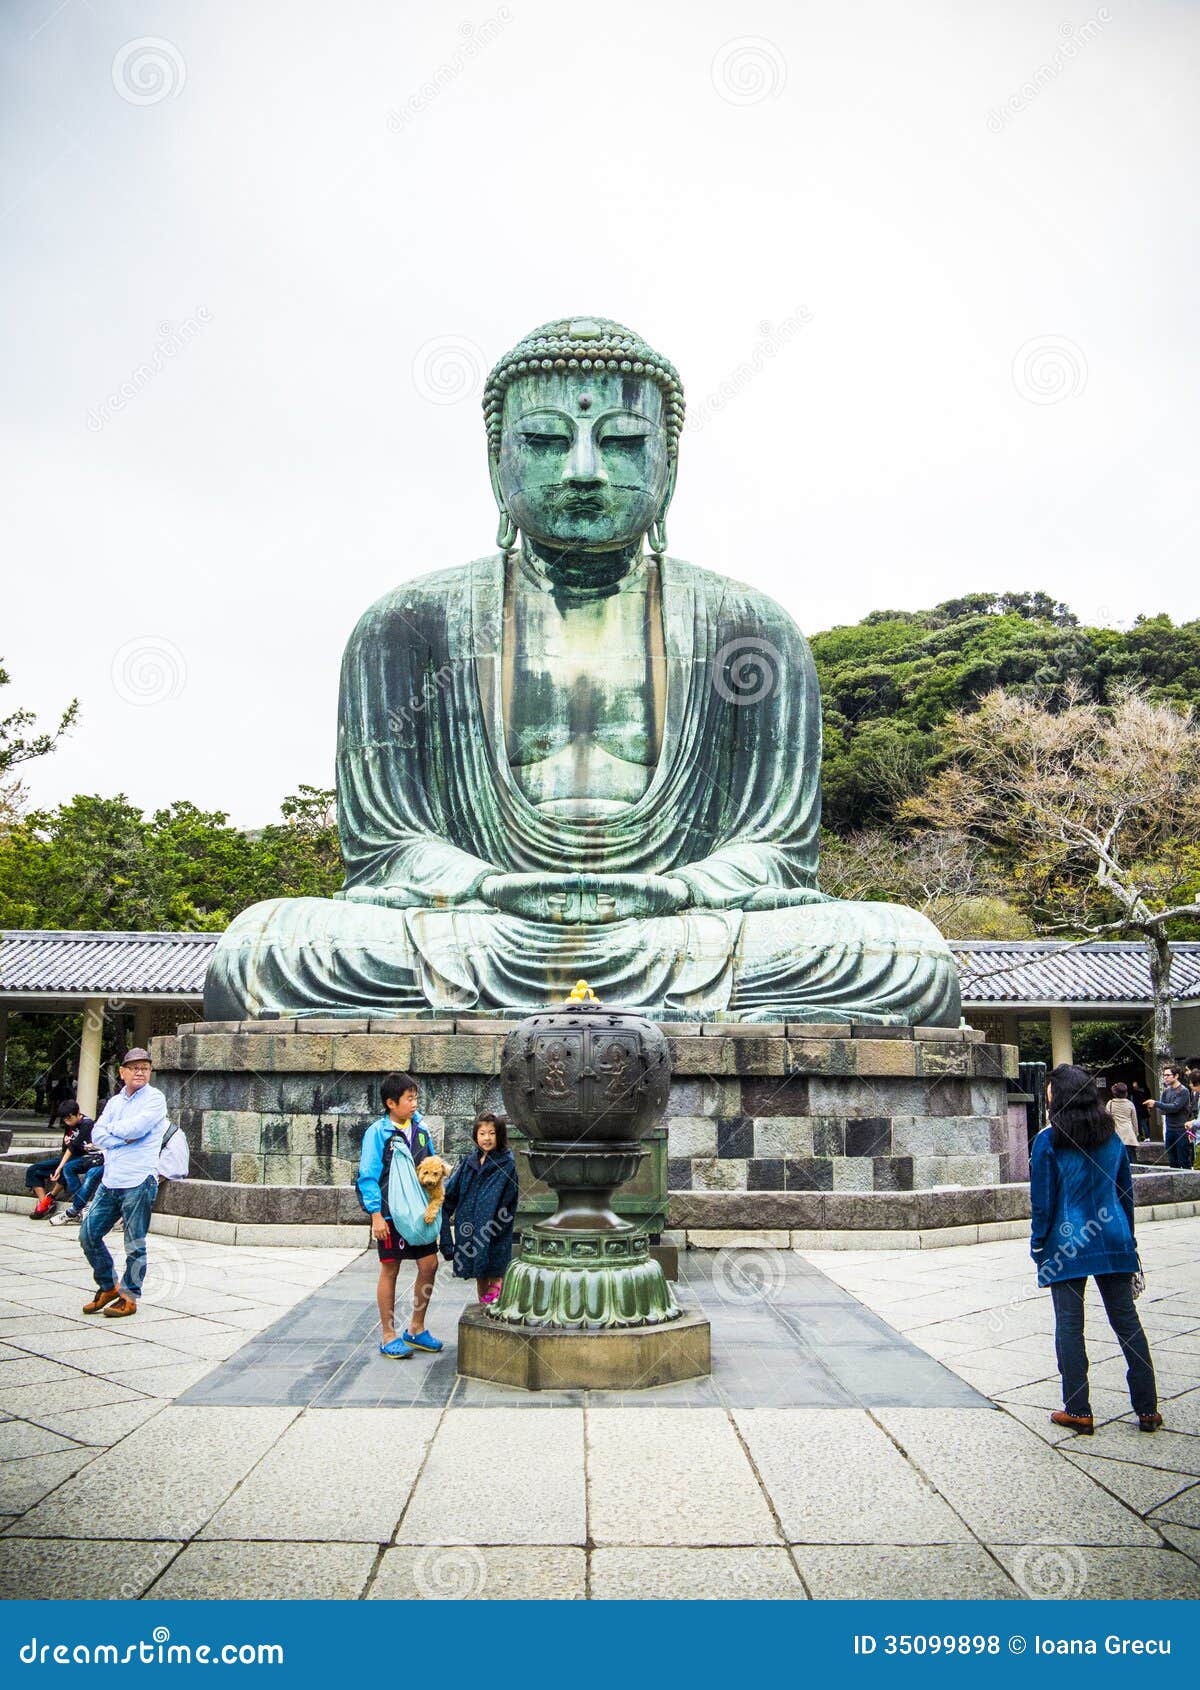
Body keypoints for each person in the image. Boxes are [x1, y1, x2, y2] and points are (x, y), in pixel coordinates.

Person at [1031, 1063, 1161, 1435]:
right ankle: (1148, 1408)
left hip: (1066, 1243)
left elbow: (1043, 1202)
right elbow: (1125, 1194)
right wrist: (1129, 1240)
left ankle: (1078, 1409)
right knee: (1128, 1324)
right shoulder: (1113, 1139)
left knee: (1070, 1326)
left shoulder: (1048, 1140)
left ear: (1059, 1097)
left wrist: (1038, 1243)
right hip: (1114, 1237)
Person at [356, 1071, 444, 1360]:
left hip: (419, 1212)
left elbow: (431, 1163)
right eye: (409, 1099)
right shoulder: (377, 1133)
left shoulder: (420, 1128)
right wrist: (376, 1215)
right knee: (390, 1268)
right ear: (391, 1103)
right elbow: (367, 1176)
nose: (414, 1103)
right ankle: (388, 1334)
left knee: (429, 1264)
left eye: (415, 1097)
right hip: (391, 1215)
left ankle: (416, 1329)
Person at [79, 1048, 169, 1319]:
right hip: (111, 1179)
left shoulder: (155, 1099)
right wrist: (121, 1136)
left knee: (134, 1243)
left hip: (139, 1180)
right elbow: (97, 1133)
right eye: (134, 1067)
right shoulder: (115, 1103)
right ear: (123, 1072)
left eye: (145, 1067)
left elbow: (138, 1129)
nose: (140, 1071)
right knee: (88, 1234)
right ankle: (108, 1285)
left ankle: (129, 1296)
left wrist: (113, 1133)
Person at [441, 1112, 519, 1305]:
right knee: (480, 1274)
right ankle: (483, 1311)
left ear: (499, 1135)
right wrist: (446, 1240)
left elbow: (509, 1201)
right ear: (476, 1136)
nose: (487, 1138)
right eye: (482, 1133)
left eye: (491, 1133)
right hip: (469, 1230)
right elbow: (450, 1195)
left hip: (494, 1231)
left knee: (496, 1274)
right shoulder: (469, 1162)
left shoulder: (506, 1164)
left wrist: (495, 1226)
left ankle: (492, 1312)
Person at [25, 1100, 96, 1219]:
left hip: (83, 1158)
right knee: (33, 1170)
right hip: (68, 1157)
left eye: (69, 1118)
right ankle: (45, 1202)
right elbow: (66, 1148)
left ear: (77, 1113)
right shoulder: (69, 1124)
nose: (67, 1122)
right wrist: (66, 1142)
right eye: (65, 1120)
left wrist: (59, 1167)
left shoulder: (87, 1124)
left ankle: (52, 1196)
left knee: (66, 1169)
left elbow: (73, 1148)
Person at [1146, 1064, 1194, 1170]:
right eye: (1164, 1075)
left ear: (1176, 1076)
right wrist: (1160, 1106)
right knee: (1172, 1160)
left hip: (1181, 1130)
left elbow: (1174, 1107)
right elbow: (1164, 1110)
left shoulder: (1183, 1090)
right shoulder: (1166, 1091)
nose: (1165, 1077)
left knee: (1184, 1160)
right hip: (1169, 1129)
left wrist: (1156, 1104)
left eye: (1168, 1075)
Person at [1104, 1081, 1139, 1148]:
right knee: (1130, 1157)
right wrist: (1136, 1134)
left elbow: (1107, 1120)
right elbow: (1134, 1120)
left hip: (1116, 1135)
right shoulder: (1130, 1104)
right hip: (1129, 1135)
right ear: (1126, 1093)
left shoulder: (1110, 1103)